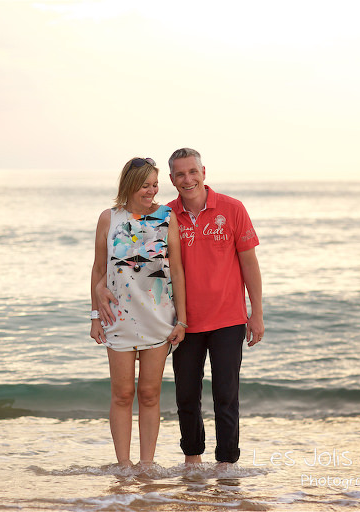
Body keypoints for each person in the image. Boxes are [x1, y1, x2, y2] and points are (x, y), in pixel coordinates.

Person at [98, 148, 263, 466]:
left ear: (203, 172)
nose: (188, 179)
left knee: (226, 395)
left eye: (193, 172)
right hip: (183, 321)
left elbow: (249, 263)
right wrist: (98, 290)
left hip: (227, 317)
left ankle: (227, 465)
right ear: (173, 180)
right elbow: (126, 262)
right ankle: (192, 462)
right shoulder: (166, 214)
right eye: (180, 174)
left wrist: (256, 313)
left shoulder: (231, 208)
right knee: (186, 396)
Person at [90, 157, 187, 467]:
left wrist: (182, 320)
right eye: (145, 185)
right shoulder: (109, 218)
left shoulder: (167, 217)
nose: (152, 191)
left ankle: (146, 466)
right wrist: (95, 316)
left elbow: (177, 270)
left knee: (149, 393)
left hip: (158, 317)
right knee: (121, 394)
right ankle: (123, 466)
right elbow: (99, 268)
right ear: (130, 185)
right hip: (117, 317)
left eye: (155, 185)